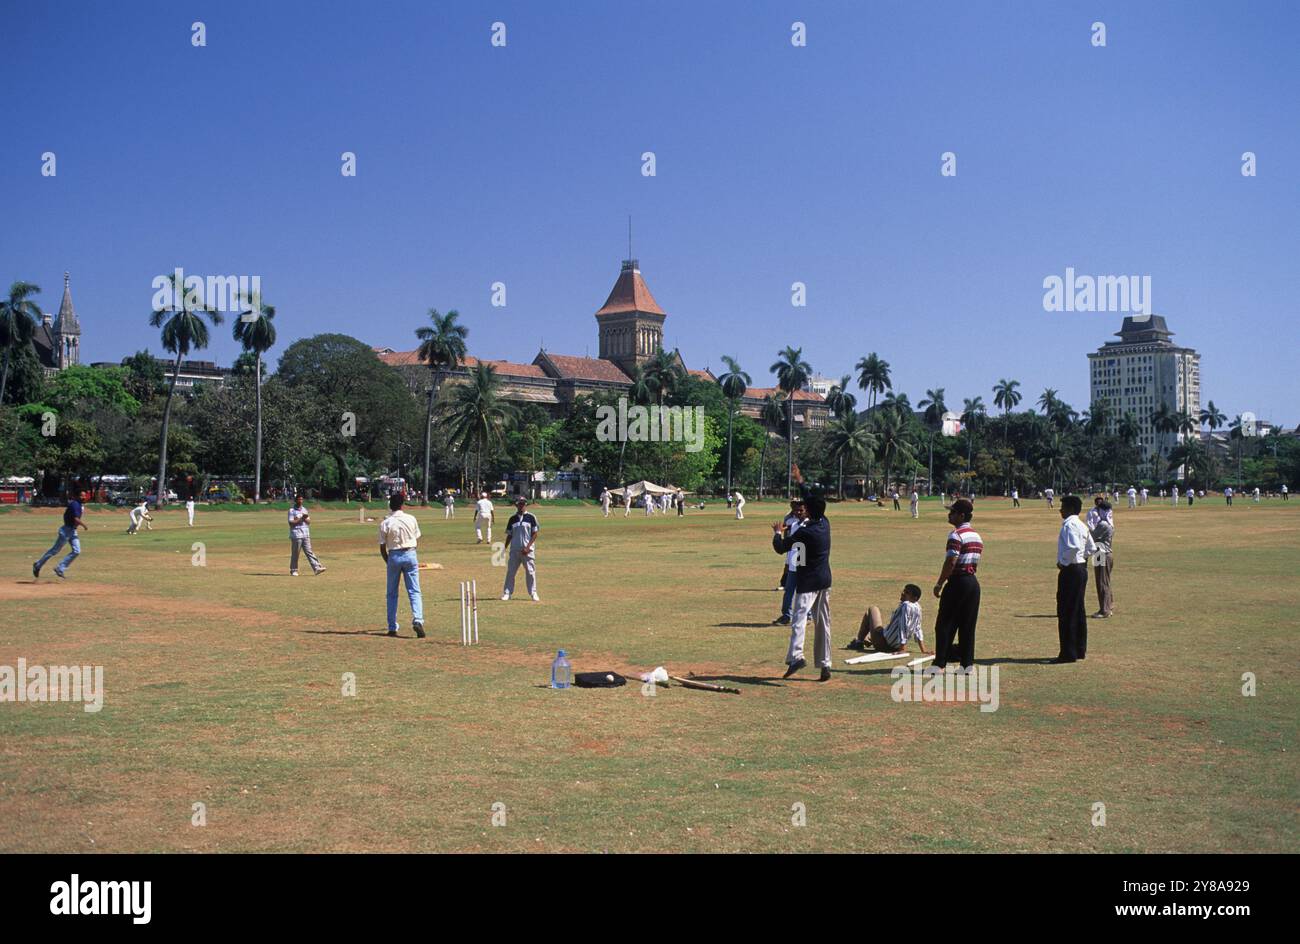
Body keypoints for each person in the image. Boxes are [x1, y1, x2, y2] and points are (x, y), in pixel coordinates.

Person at [772, 493, 832, 681]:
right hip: (825, 580)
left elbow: (780, 547)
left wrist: (777, 532)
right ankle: (825, 663)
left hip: (808, 582)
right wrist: (800, 480)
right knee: (823, 623)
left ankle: (796, 656)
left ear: (809, 510)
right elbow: (813, 500)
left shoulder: (804, 532)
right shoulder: (824, 523)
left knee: (799, 619)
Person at [929, 499, 982, 675]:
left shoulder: (956, 535)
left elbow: (951, 561)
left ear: (961, 515)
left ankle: (940, 664)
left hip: (958, 582)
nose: (949, 515)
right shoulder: (976, 535)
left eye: (952, 512)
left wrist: (939, 583)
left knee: (945, 624)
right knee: (967, 625)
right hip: (972, 583)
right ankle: (967, 665)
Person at [1054, 494, 1096, 663]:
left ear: (1070, 509)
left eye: (1063, 507)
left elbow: (1073, 547)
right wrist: (1081, 559)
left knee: (1066, 611)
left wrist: (1063, 562)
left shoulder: (1069, 525)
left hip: (1071, 570)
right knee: (1078, 610)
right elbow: (1091, 548)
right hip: (1081, 568)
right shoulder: (1081, 524)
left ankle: (1068, 653)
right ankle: (1079, 649)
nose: (1060, 510)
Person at [378, 492, 424, 637]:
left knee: (392, 593)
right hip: (410, 553)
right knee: (414, 590)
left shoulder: (385, 522)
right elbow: (417, 539)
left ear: (390, 506)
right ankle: (418, 619)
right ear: (402, 505)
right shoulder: (411, 519)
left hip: (393, 555)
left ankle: (392, 626)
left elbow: (382, 547)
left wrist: (389, 561)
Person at [848, 584, 928, 655]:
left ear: (914, 598)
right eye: (904, 591)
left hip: (884, 644)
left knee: (872, 609)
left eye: (907, 593)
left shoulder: (906, 605)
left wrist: (902, 648)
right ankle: (868, 639)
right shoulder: (918, 607)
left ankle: (859, 642)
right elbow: (918, 628)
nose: (903, 593)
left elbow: (903, 627)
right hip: (893, 645)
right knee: (880, 629)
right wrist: (923, 650)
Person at [33, 492, 87, 580]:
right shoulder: (75, 505)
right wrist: (84, 525)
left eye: (85, 495)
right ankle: (37, 565)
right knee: (54, 550)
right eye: (82, 495)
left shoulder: (79, 505)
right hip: (66, 530)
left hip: (72, 531)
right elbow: (76, 519)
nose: (84, 497)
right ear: (77, 496)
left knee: (77, 551)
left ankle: (60, 568)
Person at [501, 496, 540, 602]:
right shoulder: (512, 519)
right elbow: (509, 535)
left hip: (527, 551)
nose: (521, 506)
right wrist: (504, 547)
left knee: (530, 572)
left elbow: (535, 533)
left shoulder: (531, 517)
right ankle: (507, 593)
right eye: (519, 504)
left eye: (523, 503)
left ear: (526, 504)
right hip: (515, 550)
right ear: (516, 505)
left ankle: (533, 593)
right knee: (511, 572)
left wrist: (528, 547)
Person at [772, 499, 805, 625]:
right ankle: (786, 616)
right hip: (793, 560)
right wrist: (779, 532)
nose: (798, 512)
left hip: (804, 563)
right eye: (796, 509)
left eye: (801, 510)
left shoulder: (810, 525)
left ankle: (806, 615)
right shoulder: (794, 524)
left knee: (803, 592)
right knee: (789, 591)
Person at [288, 494, 326, 576]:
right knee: (295, 553)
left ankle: (316, 568)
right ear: (296, 500)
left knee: (309, 551)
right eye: (299, 499)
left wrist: (304, 518)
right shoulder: (292, 510)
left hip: (305, 534)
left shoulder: (304, 509)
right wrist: (300, 519)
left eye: (302, 499)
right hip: (296, 534)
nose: (301, 501)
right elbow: (291, 523)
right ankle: (293, 570)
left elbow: (309, 522)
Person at [1091, 501, 1114, 618]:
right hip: (1103, 553)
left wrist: (1089, 527)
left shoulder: (1103, 525)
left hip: (1101, 554)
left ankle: (1104, 610)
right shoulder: (1108, 523)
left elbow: (1092, 536)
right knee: (1105, 581)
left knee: (1102, 582)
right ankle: (1108, 606)